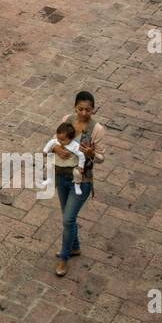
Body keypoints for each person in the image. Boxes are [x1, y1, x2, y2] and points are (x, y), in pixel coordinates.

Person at [48, 91, 107, 276]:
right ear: (75, 107)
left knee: (68, 219)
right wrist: (57, 148)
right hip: (62, 176)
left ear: (93, 110)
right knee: (68, 217)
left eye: (87, 110)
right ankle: (75, 247)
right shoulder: (67, 119)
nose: (83, 113)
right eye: (80, 109)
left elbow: (101, 158)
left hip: (82, 181)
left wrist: (91, 153)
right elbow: (54, 140)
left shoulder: (97, 129)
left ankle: (64, 258)